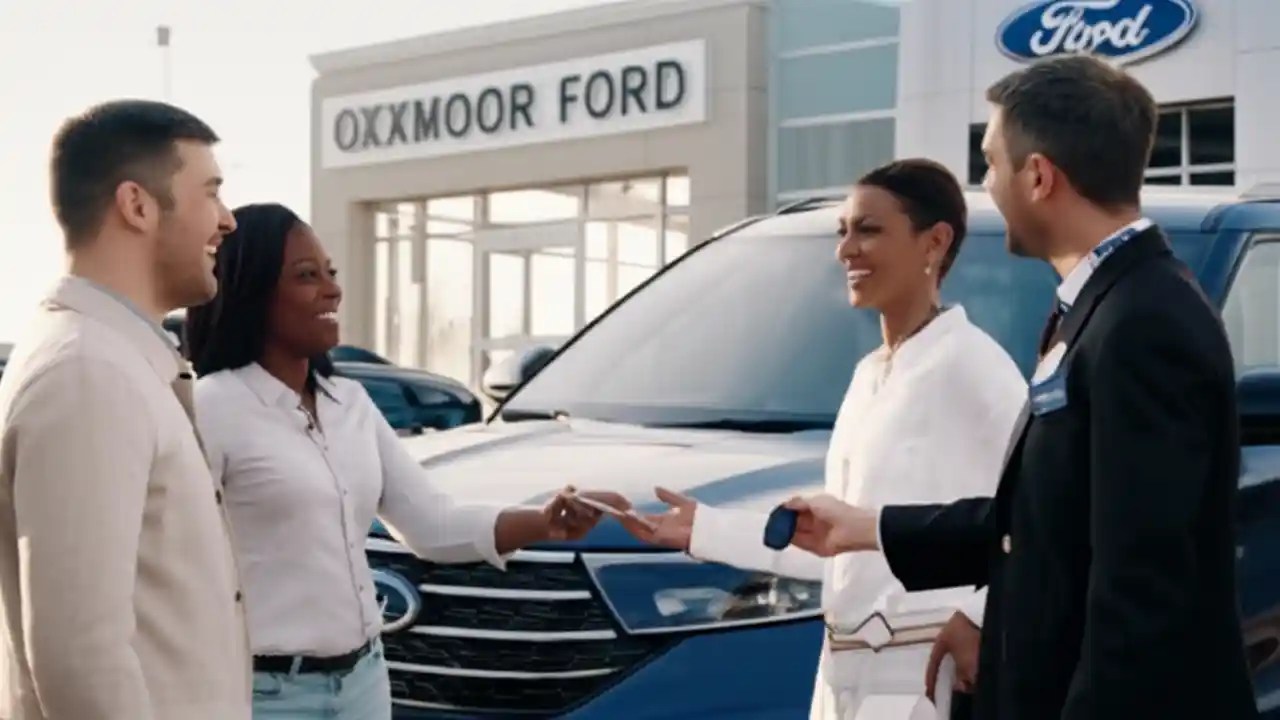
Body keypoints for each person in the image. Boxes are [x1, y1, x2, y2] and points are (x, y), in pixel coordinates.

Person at [782, 55, 1258, 720]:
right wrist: (876, 531)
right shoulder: (1101, 306)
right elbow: (1046, 521)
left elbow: (1143, 595)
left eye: (991, 162)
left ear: (1039, 177)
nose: (987, 185)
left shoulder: (1144, 323)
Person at [184, 202, 629, 720]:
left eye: (331, 273)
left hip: (366, 682)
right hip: (266, 696)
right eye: (306, 277)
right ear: (251, 293)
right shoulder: (210, 407)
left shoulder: (348, 401)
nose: (332, 290)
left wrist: (545, 522)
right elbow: (170, 568)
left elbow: (431, 525)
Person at [618, 159, 1027, 719]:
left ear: (934, 242)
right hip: (840, 680)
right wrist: (705, 530)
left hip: (923, 680)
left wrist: (981, 618)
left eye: (868, 229)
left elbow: (1038, 523)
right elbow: (841, 546)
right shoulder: (868, 376)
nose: (846, 251)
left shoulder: (976, 367)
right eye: (843, 232)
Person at [0, 100, 251, 719]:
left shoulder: (111, 359)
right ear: (136, 206)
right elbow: (81, 661)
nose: (228, 221)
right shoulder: (87, 374)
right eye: (211, 193)